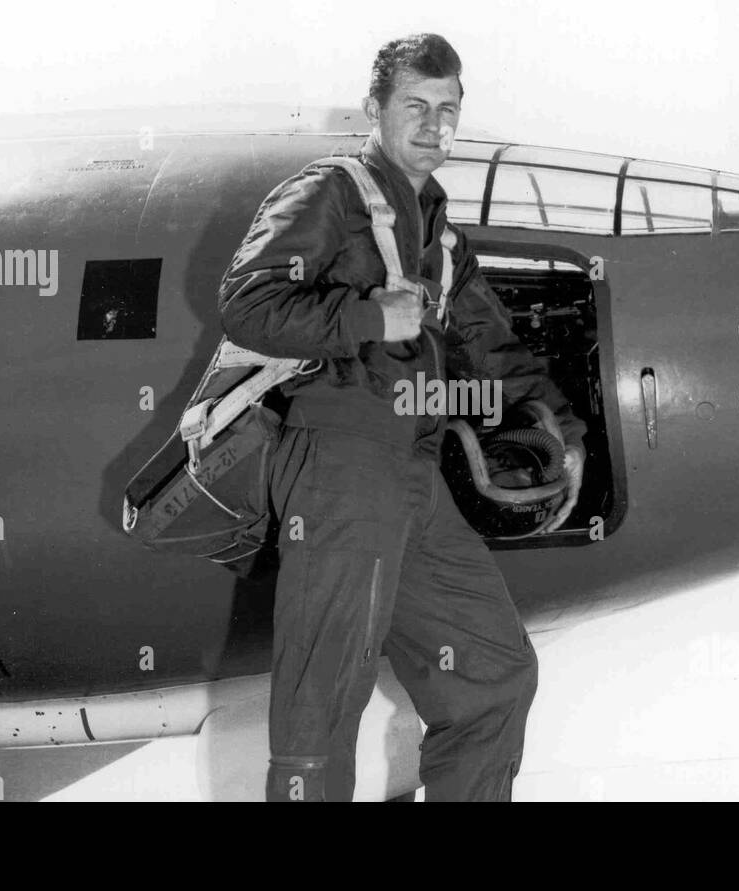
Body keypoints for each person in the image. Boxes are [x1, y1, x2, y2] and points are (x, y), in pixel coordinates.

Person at [218, 32, 587, 801]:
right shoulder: (332, 191)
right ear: (375, 110)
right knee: (322, 703)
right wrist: (366, 319)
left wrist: (564, 429)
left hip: (413, 475)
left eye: (447, 109)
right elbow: (247, 303)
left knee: (493, 673)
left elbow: (493, 344)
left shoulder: (437, 231)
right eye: (414, 106)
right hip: (338, 462)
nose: (433, 125)